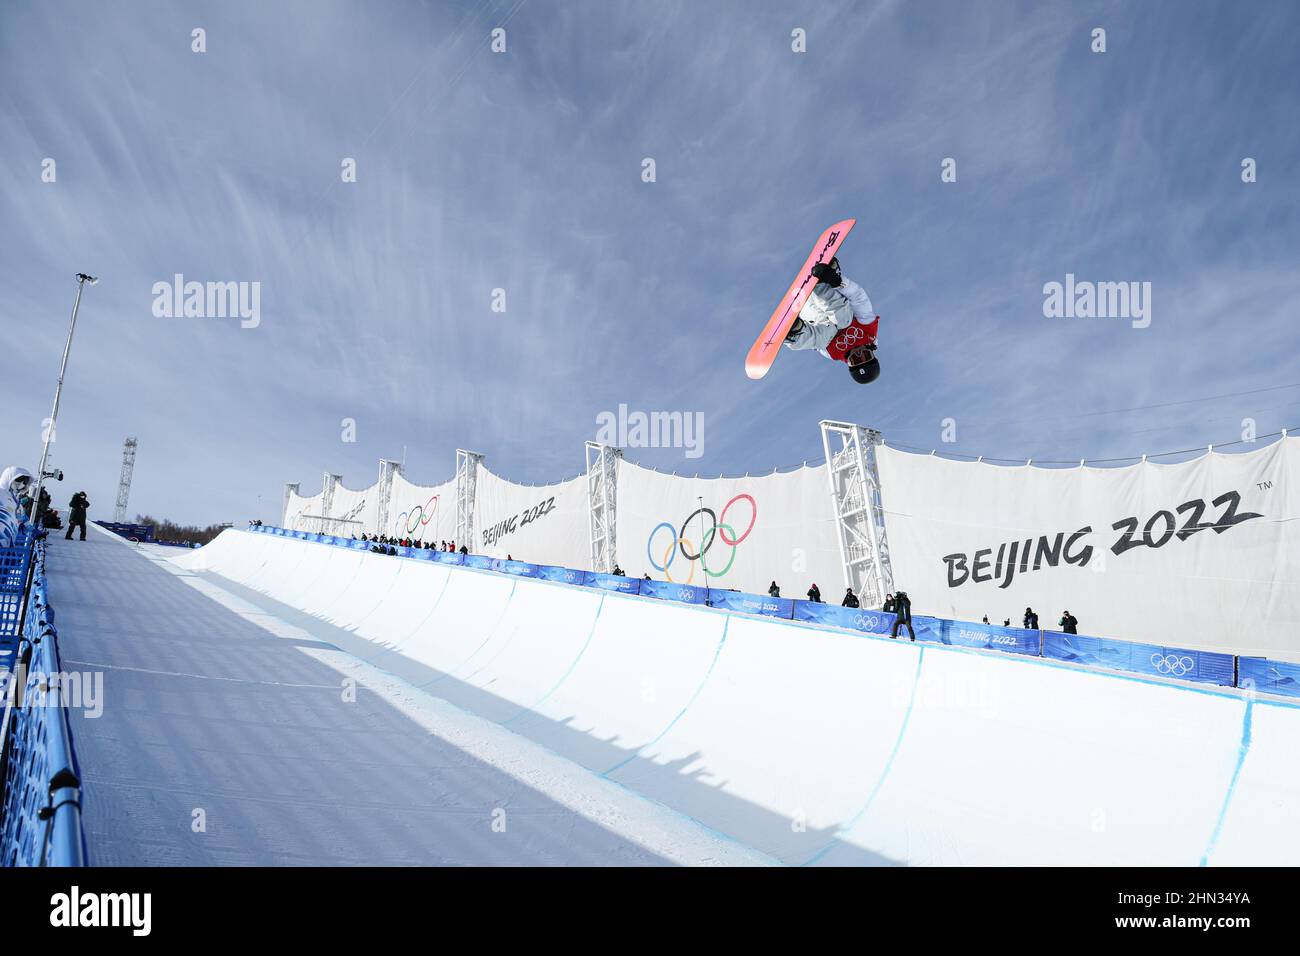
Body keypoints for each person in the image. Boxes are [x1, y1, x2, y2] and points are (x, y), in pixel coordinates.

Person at [783, 257, 881, 384]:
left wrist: (800, 336)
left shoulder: (834, 354)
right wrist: (837, 281)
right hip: (825, 292)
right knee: (844, 320)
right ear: (872, 353)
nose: (859, 353)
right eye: (866, 356)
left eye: (856, 360)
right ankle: (823, 277)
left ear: (849, 364)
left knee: (820, 341)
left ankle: (793, 334)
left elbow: (815, 341)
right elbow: (858, 298)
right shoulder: (868, 329)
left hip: (807, 310)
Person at [0, 466, 33, 548]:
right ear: (8, 478)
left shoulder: (17, 504)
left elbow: (24, 520)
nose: (21, 483)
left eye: (24, 481)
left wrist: (34, 531)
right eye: (19, 479)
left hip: (6, 548)